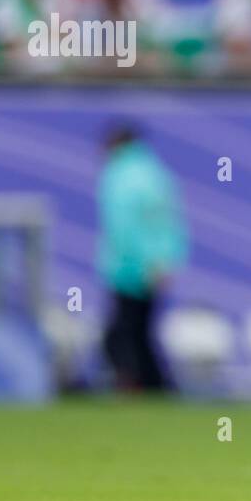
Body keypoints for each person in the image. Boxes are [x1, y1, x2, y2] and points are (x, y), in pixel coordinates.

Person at [97, 123, 188, 391]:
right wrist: (165, 260)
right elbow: (170, 223)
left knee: (125, 333)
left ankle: (141, 384)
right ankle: (151, 385)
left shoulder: (118, 174)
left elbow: (121, 227)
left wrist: (132, 263)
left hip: (129, 268)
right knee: (139, 331)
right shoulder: (156, 174)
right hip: (153, 266)